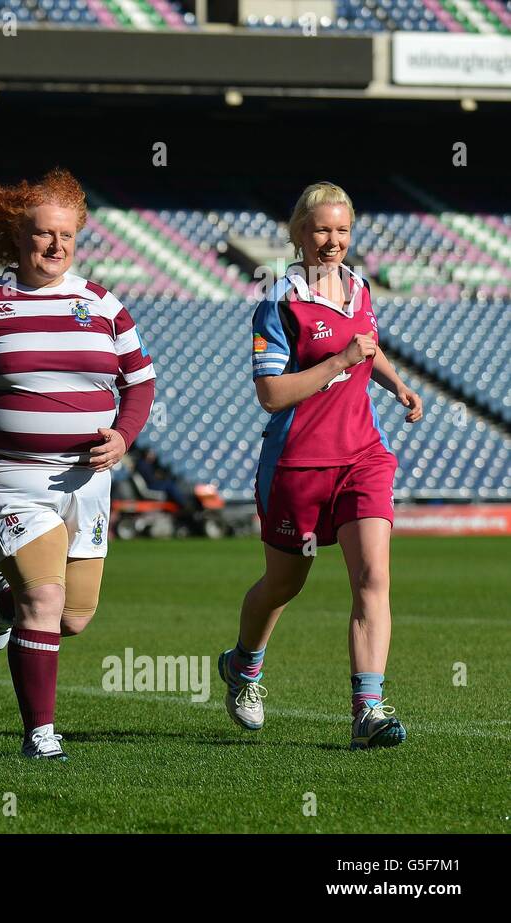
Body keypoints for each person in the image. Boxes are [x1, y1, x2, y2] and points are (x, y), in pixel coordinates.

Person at [219, 181, 423, 750]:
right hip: (297, 463)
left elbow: (368, 345)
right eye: (320, 230)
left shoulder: (358, 287)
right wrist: (339, 359)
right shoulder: (278, 301)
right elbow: (272, 394)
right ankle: (243, 666)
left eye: (342, 230)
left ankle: (368, 711)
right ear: (299, 235)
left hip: (363, 455)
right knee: (285, 584)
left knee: (372, 578)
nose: (332, 241)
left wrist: (399, 385)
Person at [0, 168, 156, 759]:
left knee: (73, 617)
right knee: (43, 604)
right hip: (14, 481)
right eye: (43, 234)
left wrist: (122, 437)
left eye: (65, 236)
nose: (54, 247)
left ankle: (1, 602)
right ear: (17, 237)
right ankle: (39, 734)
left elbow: (140, 384)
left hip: (89, 483)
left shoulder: (103, 304)